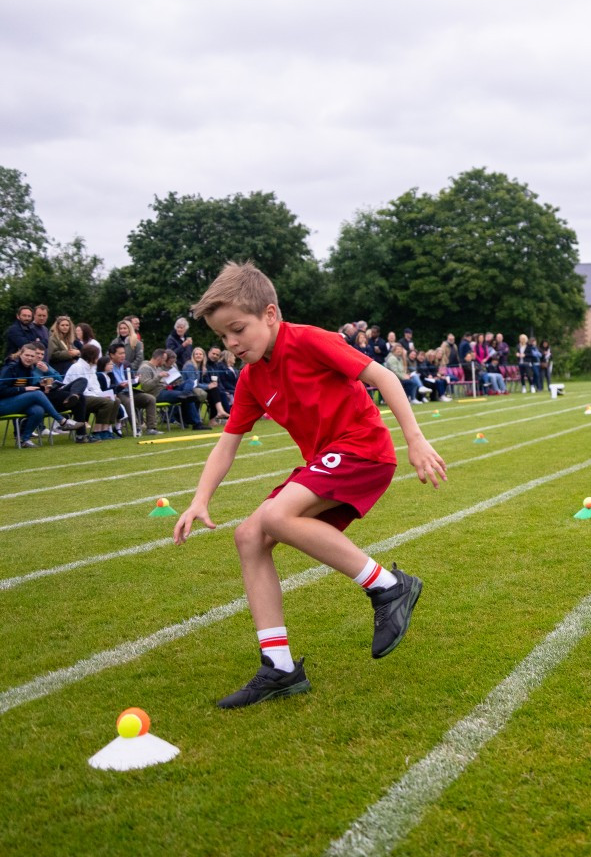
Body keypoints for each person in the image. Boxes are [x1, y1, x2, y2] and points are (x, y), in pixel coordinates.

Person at [173, 261, 446, 709]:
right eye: (222, 336)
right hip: (326, 461)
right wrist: (199, 499)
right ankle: (278, 667)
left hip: (362, 449)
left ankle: (388, 586)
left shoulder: (309, 340)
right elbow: (227, 443)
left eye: (237, 329)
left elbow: (383, 377)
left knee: (277, 516)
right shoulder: (252, 378)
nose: (231, 343)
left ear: (270, 314)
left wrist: (415, 440)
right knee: (249, 536)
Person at [0, 342, 87, 447]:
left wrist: (41, 386)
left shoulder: (29, 369)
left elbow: (30, 387)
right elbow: (0, 390)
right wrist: (23, 389)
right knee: (37, 394)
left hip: (17, 402)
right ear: (20, 354)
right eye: (27, 355)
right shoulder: (10, 368)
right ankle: (62, 421)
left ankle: (24, 440)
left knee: (38, 410)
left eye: (32, 356)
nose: (29, 358)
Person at [63, 344, 122, 440]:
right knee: (107, 402)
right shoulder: (77, 367)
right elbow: (81, 390)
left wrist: (103, 395)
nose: (98, 359)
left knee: (116, 400)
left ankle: (106, 429)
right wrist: (100, 397)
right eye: (97, 356)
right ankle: (97, 431)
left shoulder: (91, 368)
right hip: (78, 398)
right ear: (91, 356)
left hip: (89, 396)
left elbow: (95, 387)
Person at [111, 343, 158, 436]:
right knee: (129, 401)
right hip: (117, 393)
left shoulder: (126, 364)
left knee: (150, 398)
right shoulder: (107, 365)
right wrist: (120, 386)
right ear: (112, 355)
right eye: (120, 353)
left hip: (130, 391)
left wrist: (137, 380)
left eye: (124, 353)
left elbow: (133, 381)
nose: (123, 355)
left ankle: (151, 428)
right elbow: (106, 384)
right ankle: (136, 428)